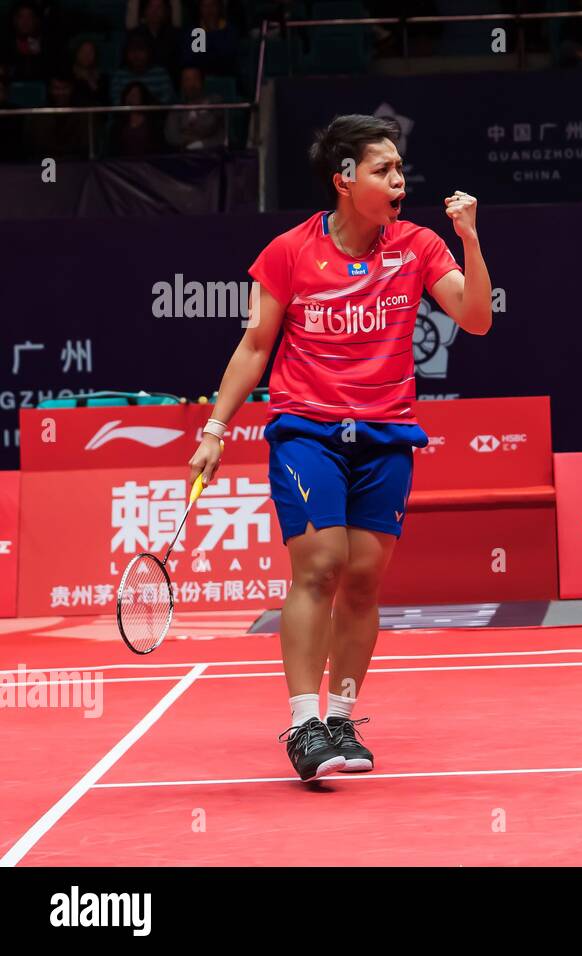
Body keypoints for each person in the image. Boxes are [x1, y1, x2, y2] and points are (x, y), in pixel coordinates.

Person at [187, 115, 494, 782]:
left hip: (387, 433)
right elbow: (254, 347)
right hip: (308, 429)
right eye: (383, 169)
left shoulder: (417, 246)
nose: (398, 179)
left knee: (363, 577)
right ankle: (302, 722)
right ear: (344, 180)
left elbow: (474, 318)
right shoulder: (288, 253)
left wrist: (467, 237)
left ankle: (342, 718)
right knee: (320, 564)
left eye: (399, 168)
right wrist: (215, 430)